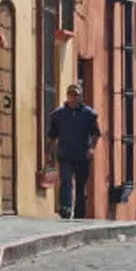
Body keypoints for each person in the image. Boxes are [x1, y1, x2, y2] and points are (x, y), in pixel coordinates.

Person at [46, 82, 101, 219]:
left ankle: (79, 212)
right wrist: (48, 154)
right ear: (67, 96)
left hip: (82, 155)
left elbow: (96, 133)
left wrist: (92, 149)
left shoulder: (89, 114)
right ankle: (65, 208)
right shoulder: (58, 115)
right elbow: (52, 136)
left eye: (75, 95)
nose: (73, 97)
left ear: (80, 97)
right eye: (70, 94)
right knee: (66, 181)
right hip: (65, 153)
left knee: (81, 185)